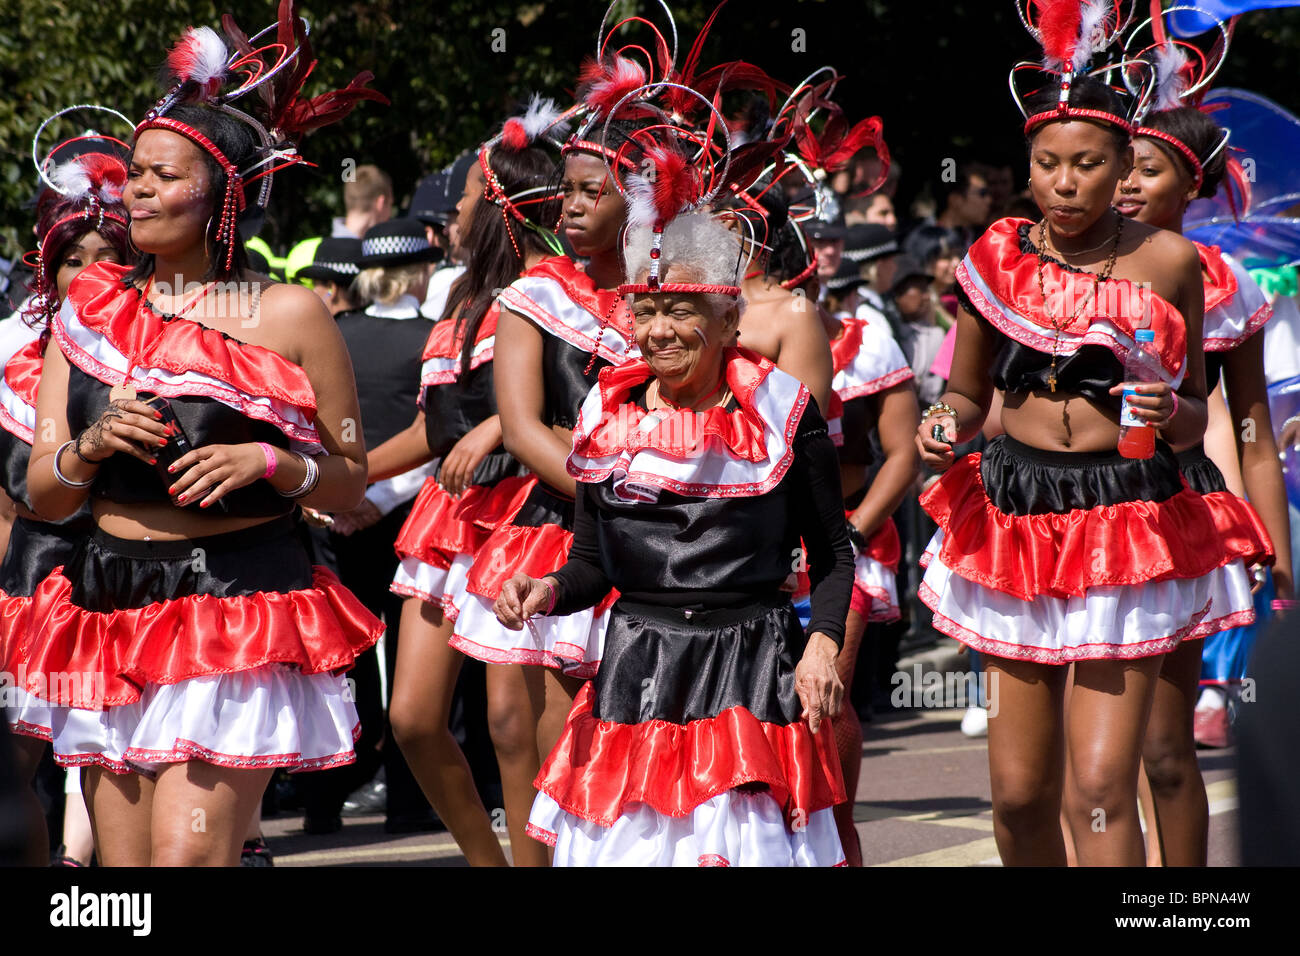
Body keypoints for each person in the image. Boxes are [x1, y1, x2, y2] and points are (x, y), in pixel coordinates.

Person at [18, 16, 385, 866]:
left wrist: (272, 461)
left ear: (220, 192)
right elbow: (44, 491)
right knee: (126, 877)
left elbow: (347, 476)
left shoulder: (288, 313)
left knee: (188, 860)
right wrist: (91, 445)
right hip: (107, 604)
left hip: (237, 603)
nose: (135, 192)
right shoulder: (89, 311)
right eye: (133, 175)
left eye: (161, 176)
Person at [914, 7, 1259, 866]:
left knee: (1102, 788)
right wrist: (942, 426)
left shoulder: (1171, 264)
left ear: (1121, 170)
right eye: (1048, 164)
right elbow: (964, 393)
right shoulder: (994, 257)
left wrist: (1160, 413)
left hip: (1126, 517)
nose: (1065, 183)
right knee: (1020, 801)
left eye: (1090, 165)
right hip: (1016, 517)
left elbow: (1188, 413)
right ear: (1027, 167)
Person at [496, 202, 855, 866]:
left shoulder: (784, 411)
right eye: (644, 312)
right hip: (639, 670)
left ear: (728, 319)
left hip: (751, 669)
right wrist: (544, 590)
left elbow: (832, 549)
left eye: (680, 312)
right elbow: (592, 563)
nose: (658, 333)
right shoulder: (605, 411)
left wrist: (822, 646)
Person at [369, 100, 569, 866]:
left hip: (527, 504)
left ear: (497, 208)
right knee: (414, 717)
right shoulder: (455, 301)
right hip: (446, 513)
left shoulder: (558, 286)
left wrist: (504, 426)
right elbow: (434, 428)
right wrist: (338, 474)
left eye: (460, 201)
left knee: (511, 725)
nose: (449, 215)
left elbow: (582, 403)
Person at [1113, 43, 1289, 864]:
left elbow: (1251, 430)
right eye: (1117, 166)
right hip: (1064, 522)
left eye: (1143, 169)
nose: (1122, 184)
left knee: (1163, 752)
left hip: (1178, 519)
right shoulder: (1062, 273)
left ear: (1193, 184)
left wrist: (1276, 554)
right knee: (1078, 772)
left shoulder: (1227, 286)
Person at [1, 145, 131, 866]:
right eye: (73, 258)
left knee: (111, 761)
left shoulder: (161, 354)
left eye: (106, 255)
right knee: (14, 764)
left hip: (126, 582)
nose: (89, 274)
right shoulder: (11, 357)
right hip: (30, 582)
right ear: (48, 269)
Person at [298, 219, 441, 835]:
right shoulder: (435, 338)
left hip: (340, 518)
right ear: (420, 272)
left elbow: (306, 425)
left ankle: (324, 799)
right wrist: (381, 495)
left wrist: (344, 499)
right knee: (412, 662)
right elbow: (441, 437)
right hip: (412, 519)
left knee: (341, 657)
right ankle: (407, 803)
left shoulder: (335, 336)